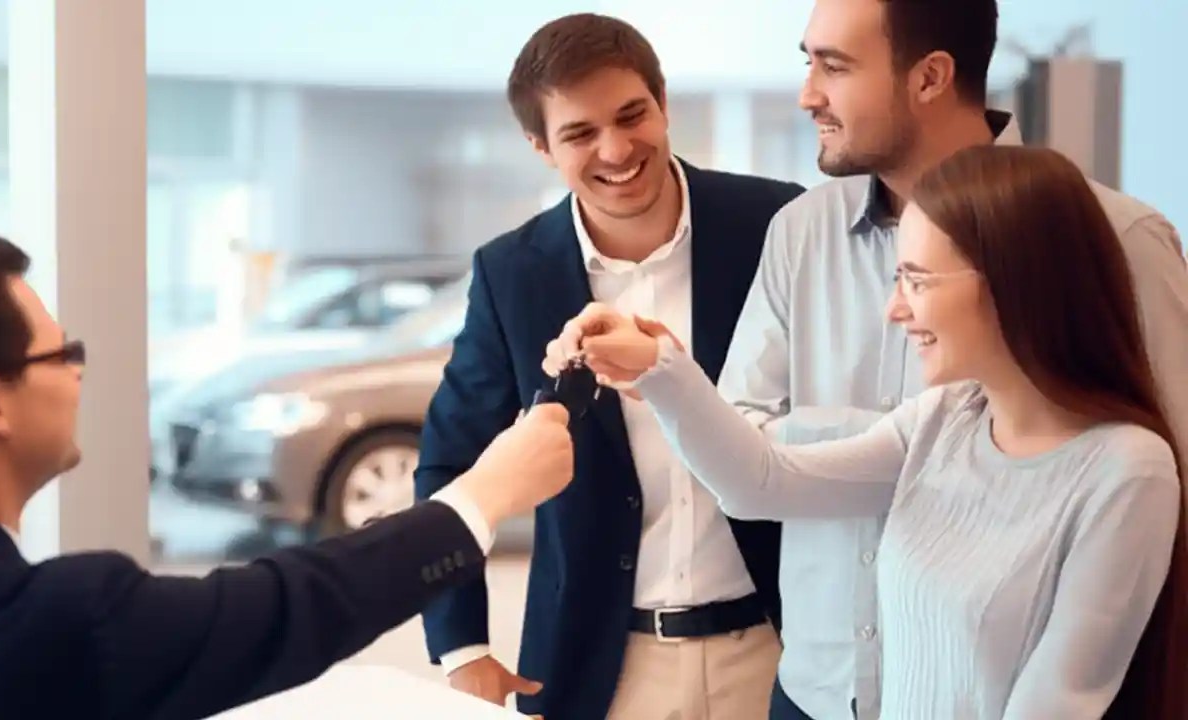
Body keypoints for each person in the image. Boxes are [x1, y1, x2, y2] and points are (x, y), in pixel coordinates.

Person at [546, 144, 1187, 720]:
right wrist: (659, 366)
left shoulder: (1127, 472)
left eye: (919, 279)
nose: (896, 308)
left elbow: (1059, 703)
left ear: (1015, 284)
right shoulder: (944, 419)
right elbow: (760, 483)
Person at [690, 1, 1188, 718]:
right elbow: (740, 446)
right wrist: (923, 441)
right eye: (809, 62)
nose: (808, 93)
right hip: (819, 693)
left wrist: (888, 450)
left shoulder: (1120, 237)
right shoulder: (800, 233)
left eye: (834, 65)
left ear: (929, 77)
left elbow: (1162, 492)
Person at [0, 233, 576, 720]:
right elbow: (292, 603)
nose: (79, 373)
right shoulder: (45, 622)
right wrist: (486, 494)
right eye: (64, 354)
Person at [413, 13, 804, 720]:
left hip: (780, 646)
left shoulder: (776, 224)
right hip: (598, 665)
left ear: (663, 104)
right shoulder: (511, 275)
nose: (617, 149)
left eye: (632, 115)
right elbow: (449, 463)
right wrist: (461, 644)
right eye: (580, 133)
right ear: (540, 147)